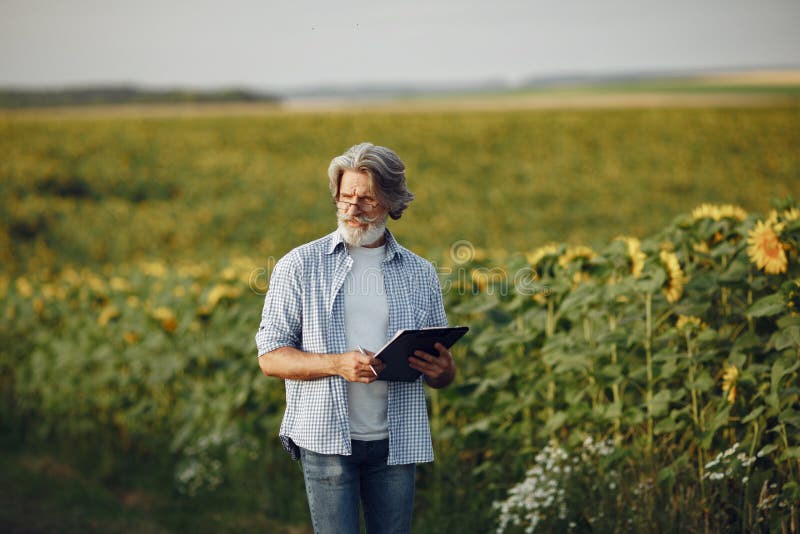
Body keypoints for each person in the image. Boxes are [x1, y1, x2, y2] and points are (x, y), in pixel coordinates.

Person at [255, 142, 456, 534]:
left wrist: (443, 370)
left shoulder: (420, 272)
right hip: (326, 439)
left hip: (396, 442)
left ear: (392, 203)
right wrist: (336, 364)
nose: (353, 209)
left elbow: (441, 373)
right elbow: (270, 358)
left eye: (367, 199)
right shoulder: (298, 266)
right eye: (346, 198)